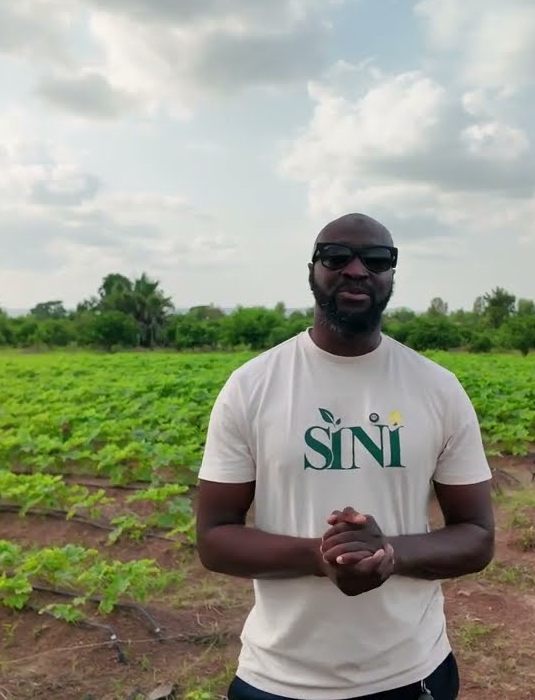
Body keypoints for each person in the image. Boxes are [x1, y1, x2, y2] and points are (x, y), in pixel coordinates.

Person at [195, 213, 496, 700]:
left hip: (410, 673)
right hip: (278, 678)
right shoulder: (251, 387)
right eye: (336, 256)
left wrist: (389, 556)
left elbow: (478, 536)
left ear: (391, 276)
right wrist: (319, 557)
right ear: (312, 269)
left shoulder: (438, 388)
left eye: (376, 259)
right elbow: (213, 538)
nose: (356, 269)